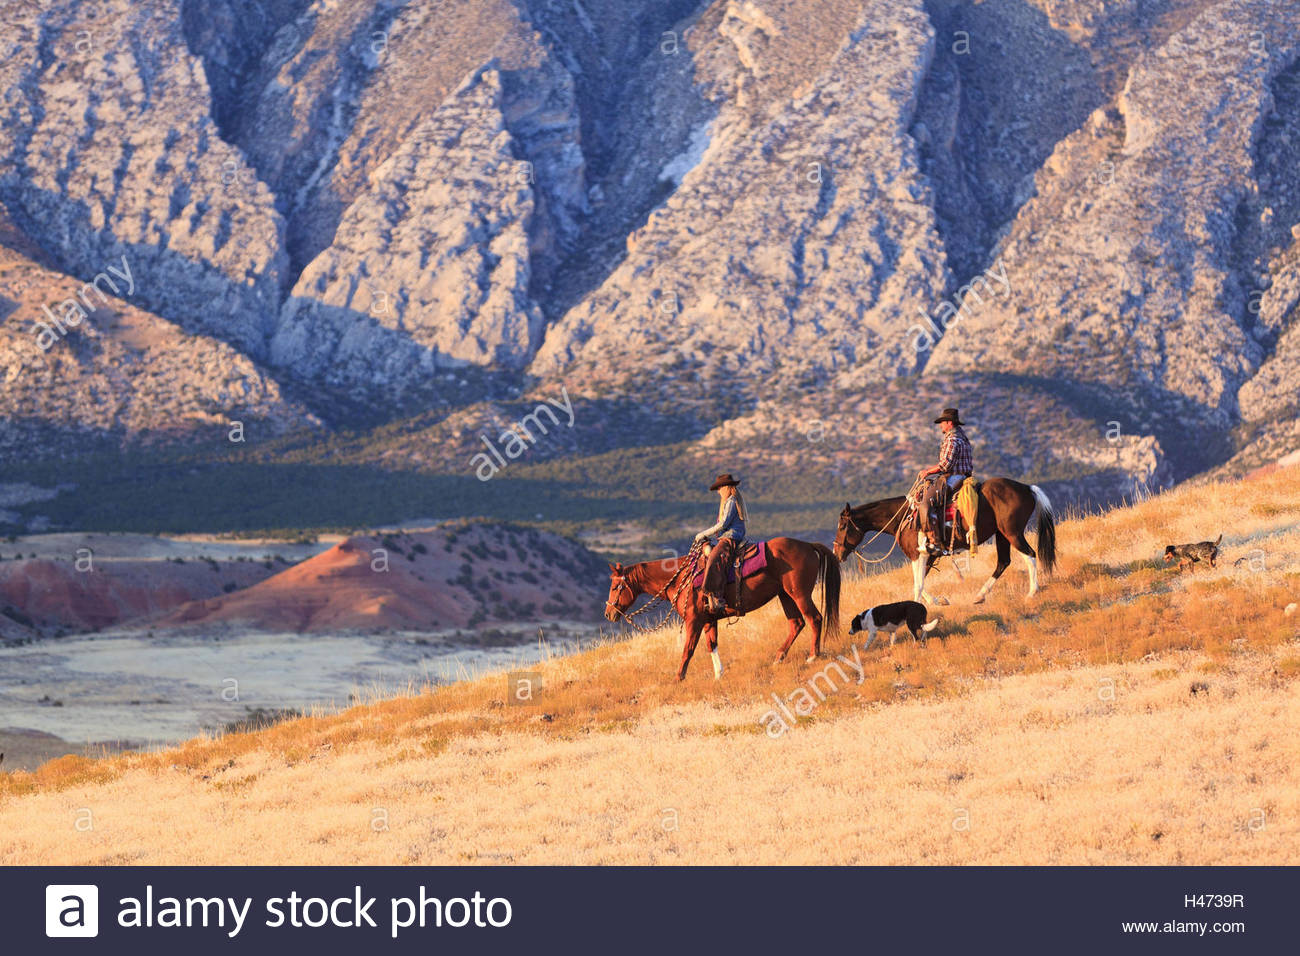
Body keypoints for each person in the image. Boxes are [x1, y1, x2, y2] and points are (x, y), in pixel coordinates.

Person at [917, 407, 972, 553]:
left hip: (954, 476)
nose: (940, 426)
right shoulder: (963, 437)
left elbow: (945, 464)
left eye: (942, 422)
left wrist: (926, 472)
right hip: (963, 475)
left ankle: (935, 542)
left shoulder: (952, 439)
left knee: (925, 504)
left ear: (949, 423)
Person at [694, 473, 747, 614]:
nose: (718, 491)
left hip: (730, 537)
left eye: (720, 488)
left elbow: (723, 524)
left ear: (726, 487)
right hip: (727, 536)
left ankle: (718, 598)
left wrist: (703, 534)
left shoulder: (731, 501)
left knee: (713, 559)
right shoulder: (731, 501)